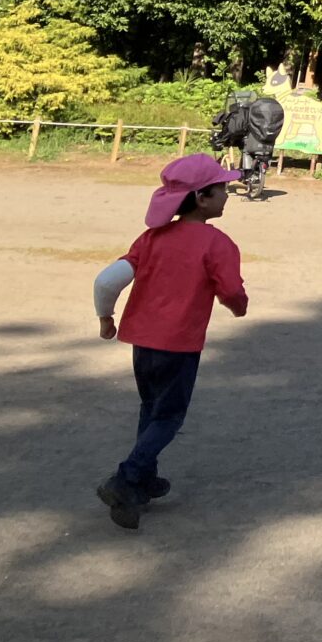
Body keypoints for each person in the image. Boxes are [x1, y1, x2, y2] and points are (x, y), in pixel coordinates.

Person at [91, 154, 248, 530]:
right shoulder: (217, 243)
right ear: (202, 198)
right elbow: (230, 291)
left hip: (142, 342)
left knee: (151, 407)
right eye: (222, 189)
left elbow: (107, 281)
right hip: (179, 344)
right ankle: (126, 478)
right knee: (169, 416)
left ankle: (145, 477)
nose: (227, 195)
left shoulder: (150, 239)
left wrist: (105, 319)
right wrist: (238, 306)